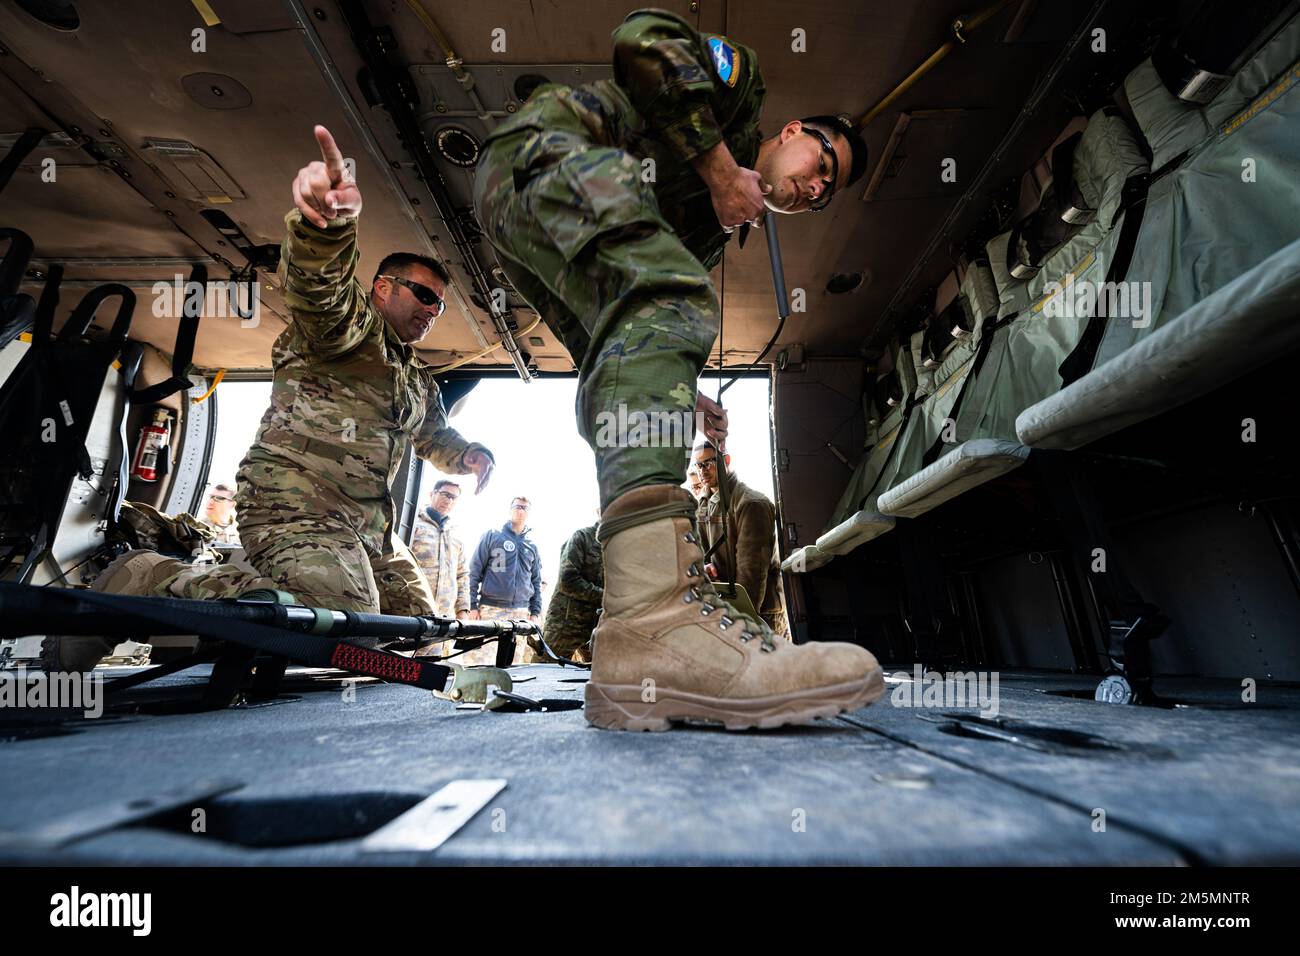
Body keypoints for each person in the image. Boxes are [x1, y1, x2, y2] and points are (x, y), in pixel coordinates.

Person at [473, 8, 883, 729]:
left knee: (649, 328)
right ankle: (651, 619)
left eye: (828, 191)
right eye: (821, 162)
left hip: (529, 211)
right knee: (678, 300)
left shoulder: (697, 238)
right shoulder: (738, 91)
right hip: (554, 152)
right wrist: (722, 169)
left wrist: (677, 388)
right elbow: (642, 37)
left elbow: (619, 330)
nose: (817, 186)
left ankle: (647, 641)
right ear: (789, 134)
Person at [45, 126, 494, 672]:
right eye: (424, 294)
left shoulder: (415, 378)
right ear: (384, 288)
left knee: (408, 627)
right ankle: (148, 579)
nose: (431, 309)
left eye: (440, 306)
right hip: (295, 502)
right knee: (342, 615)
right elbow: (319, 288)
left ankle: (277, 644)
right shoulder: (346, 332)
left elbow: (434, 436)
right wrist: (325, 228)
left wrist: (467, 455)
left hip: (363, 525)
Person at [692, 442, 788, 640]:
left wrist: (742, 625)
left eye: (708, 463)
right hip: (727, 611)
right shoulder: (705, 503)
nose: (702, 471)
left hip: (759, 613)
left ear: (726, 461)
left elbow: (751, 575)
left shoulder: (751, 504)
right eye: (698, 465)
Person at [468, 497, 542, 664]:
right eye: (517, 506)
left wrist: (535, 613)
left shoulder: (532, 545)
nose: (521, 510)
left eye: (525, 508)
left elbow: (536, 581)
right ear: (510, 510)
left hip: (521, 614)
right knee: (481, 663)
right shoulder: (493, 535)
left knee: (512, 664)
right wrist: (472, 606)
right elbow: (474, 572)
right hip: (491, 611)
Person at [541, 521, 603, 662]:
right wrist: (605, 596)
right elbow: (568, 581)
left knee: (600, 676)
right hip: (565, 625)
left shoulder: (618, 546)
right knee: (546, 672)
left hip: (597, 627)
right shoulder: (582, 537)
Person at [410, 479, 470, 620]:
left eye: (454, 498)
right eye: (445, 494)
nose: (449, 500)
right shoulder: (412, 523)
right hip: (411, 612)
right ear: (432, 494)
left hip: (444, 617)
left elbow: (462, 575)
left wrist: (463, 610)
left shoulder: (456, 533)